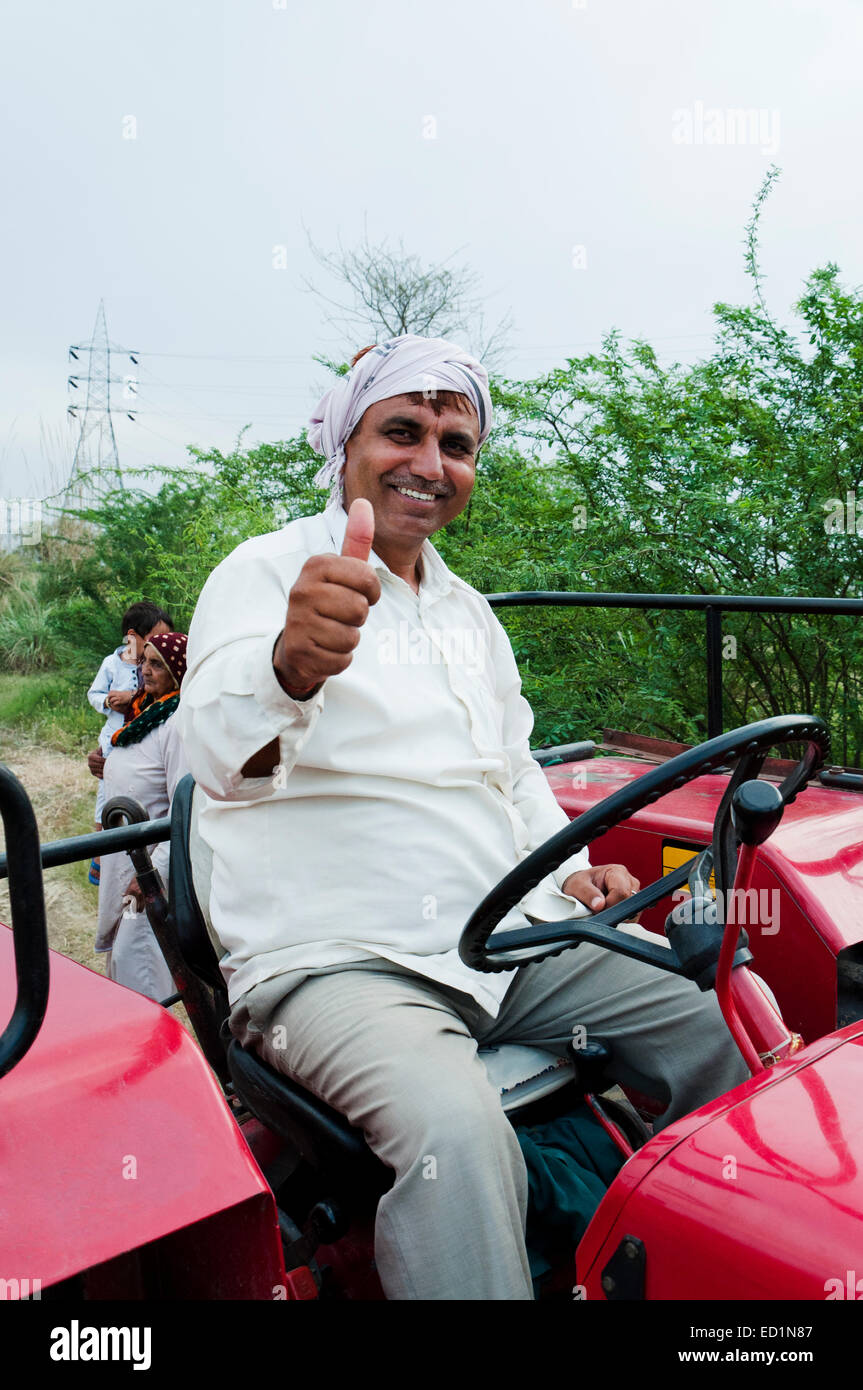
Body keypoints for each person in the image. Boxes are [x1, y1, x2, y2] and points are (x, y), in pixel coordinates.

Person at [177, 333, 750, 1300]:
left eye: (456, 444)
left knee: (716, 1018)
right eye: (402, 431)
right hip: (337, 959)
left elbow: (511, 769)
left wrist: (565, 871)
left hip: (500, 938)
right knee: (455, 1133)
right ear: (346, 446)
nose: (430, 463)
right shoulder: (267, 573)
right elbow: (223, 766)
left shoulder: (468, 613)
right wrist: (289, 668)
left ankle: (717, 1274)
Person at [95, 632, 188, 1001]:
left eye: (157, 665)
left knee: (141, 966)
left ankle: (151, 1036)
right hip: (125, 861)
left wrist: (154, 874)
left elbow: (183, 806)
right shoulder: (146, 714)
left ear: (178, 673)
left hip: (148, 872)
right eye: (144, 662)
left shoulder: (177, 723)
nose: (146, 670)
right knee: (123, 963)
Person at [85, 602, 172, 884]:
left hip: (155, 851)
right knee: (106, 800)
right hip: (114, 737)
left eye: (157, 662)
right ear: (133, 638)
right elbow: (95, 694)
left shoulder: (171, 715)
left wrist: (130, 696)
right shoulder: (114, 664)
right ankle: (102, 858)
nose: (147, 669)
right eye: (153, 641)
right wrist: (108, 702)